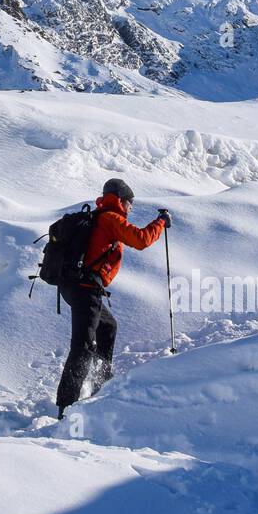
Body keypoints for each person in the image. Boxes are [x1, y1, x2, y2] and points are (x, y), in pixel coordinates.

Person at [55, 178, 170, 418]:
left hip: (75, 286)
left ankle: (101, 383)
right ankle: (66, 408)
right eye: (130, 203)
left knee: (107, 327)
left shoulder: (99, 216)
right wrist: (160, 222)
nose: (130, 208)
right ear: (120, 199)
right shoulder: (110, 218)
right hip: (85, 287)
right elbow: (141, 239)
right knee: (83, 346)